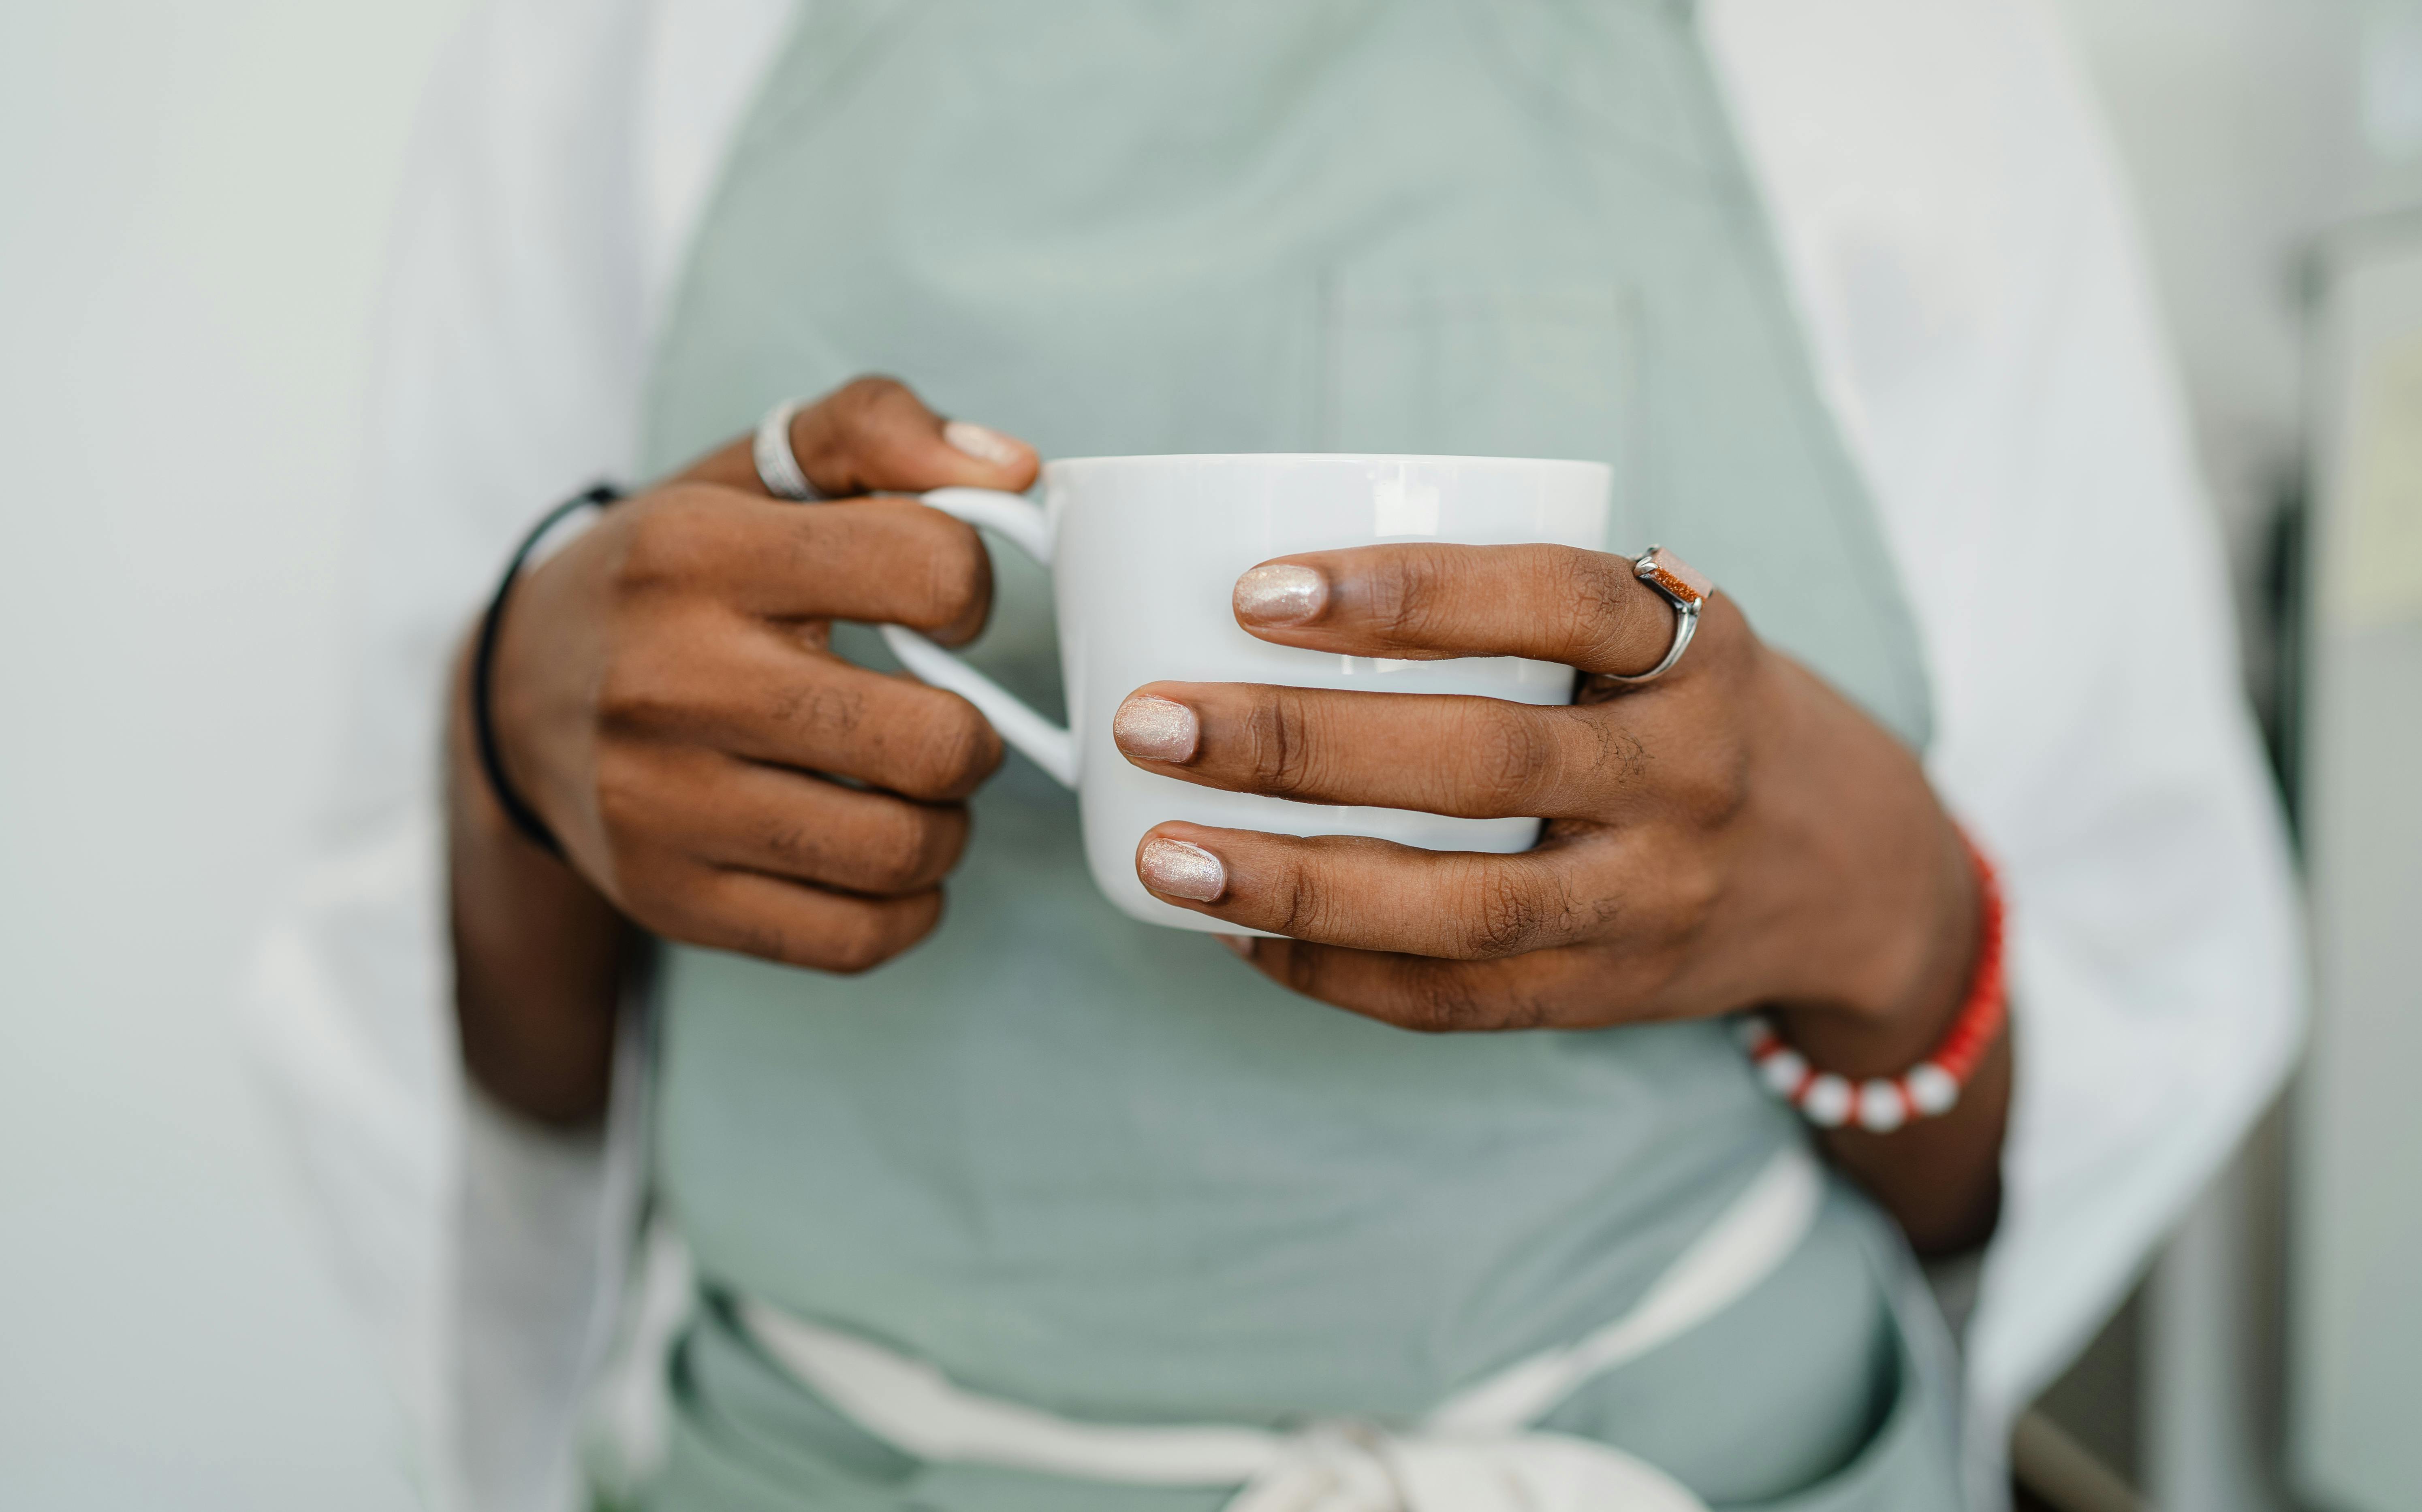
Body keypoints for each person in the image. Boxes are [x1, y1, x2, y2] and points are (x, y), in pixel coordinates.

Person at [248, 1, 2302, 1509]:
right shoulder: (610, 42)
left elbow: (2095, 1033)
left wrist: (1877, 898)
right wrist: (511, 733)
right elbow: (468, 1086)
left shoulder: (1904, 51)